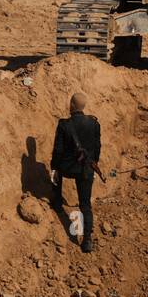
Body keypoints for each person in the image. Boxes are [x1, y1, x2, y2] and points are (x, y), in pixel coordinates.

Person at [50, 91, 101, 253]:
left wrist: (54, 167)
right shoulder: (94, 123)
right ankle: (86, 241)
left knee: (55, 175)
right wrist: (94, 163)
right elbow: (98, 147)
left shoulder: (64, 124)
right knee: (85, 205)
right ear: (83, 107)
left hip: (68, 168)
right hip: (86, 169)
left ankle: (57, 203)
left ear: (72, 105)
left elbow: (58, 150)